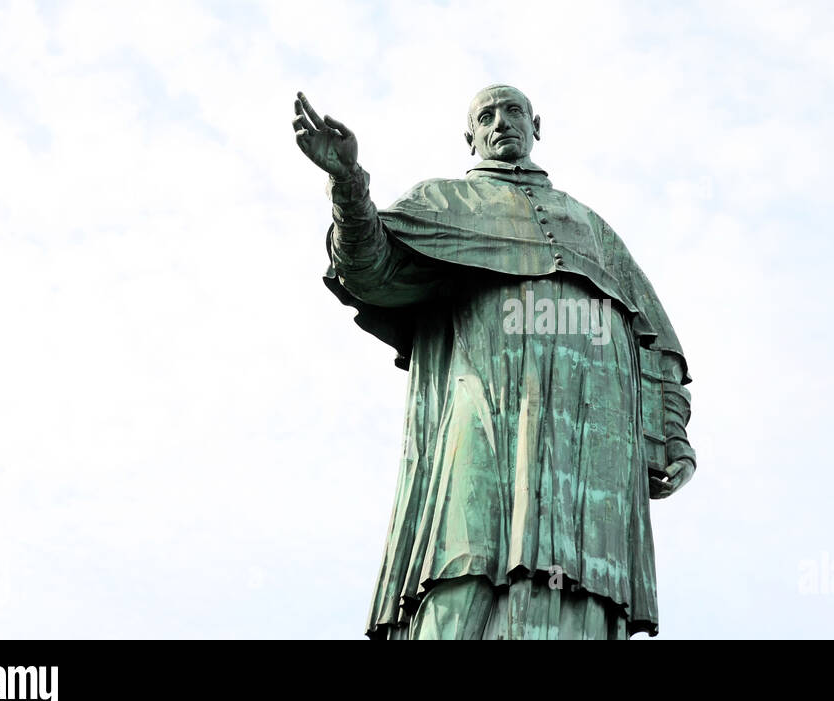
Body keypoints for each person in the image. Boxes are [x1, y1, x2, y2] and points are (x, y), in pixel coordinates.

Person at [292, 85, 696, 639]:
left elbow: (654, 342)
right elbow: (369, 266)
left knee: (577, 585)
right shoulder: (444, 202)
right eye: (487, 115)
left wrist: (670, 437)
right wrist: (348, 185)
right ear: (471, 136)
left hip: (589, 438)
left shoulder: (592, 228)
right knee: (462, 561)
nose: (501, 122)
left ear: (537, 125)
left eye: (512, 112)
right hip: (482, 404)